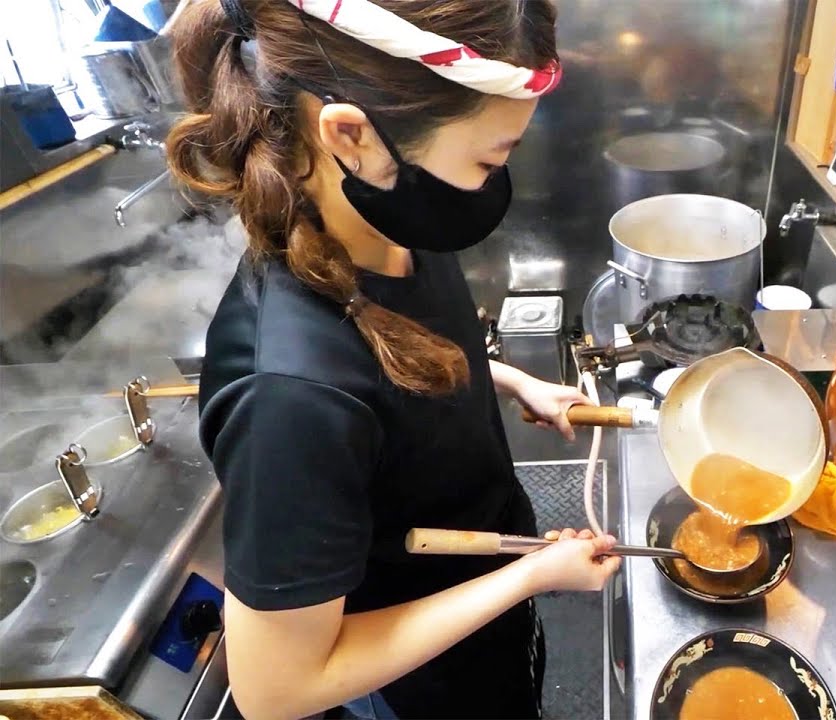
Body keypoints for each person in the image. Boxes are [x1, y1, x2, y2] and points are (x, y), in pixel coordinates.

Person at [166, 1, 621, 718]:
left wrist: (503, 379)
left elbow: (395, 373)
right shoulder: (288, 397)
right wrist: (529, 576)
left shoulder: (386, 224)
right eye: (489, 158)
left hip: (483, 622)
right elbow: (275, 689)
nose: (493, 182)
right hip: (416, 687)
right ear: (351, 134)